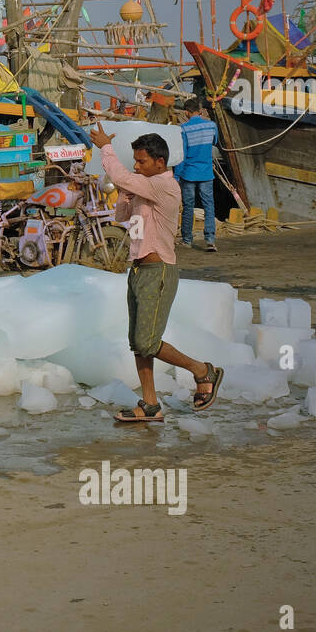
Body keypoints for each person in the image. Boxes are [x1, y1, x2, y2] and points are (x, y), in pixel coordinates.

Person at [88, 122, 224, 422]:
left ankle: (203, 371)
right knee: (138, 343)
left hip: (158, 270)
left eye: (141, 161)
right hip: (137, 269)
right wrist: (126, 190)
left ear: (159, 162)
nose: (136, 166)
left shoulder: (164, 184)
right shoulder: (144, 185)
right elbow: (122, 215)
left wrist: (105, 149)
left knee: (147, 341)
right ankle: (150, 404)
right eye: (135, 160)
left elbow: (119, 173)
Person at [177, 99, 218, 251]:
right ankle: (210, 239)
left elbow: (182, 154)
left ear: (186, 112)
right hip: (206, 172)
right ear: (200, 110)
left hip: (188, 173)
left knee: (188, 206)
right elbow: (215, 141)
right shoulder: (211, 126)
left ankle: (187, 240)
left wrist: (176, 176)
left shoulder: (184, 129)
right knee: (209, 205)